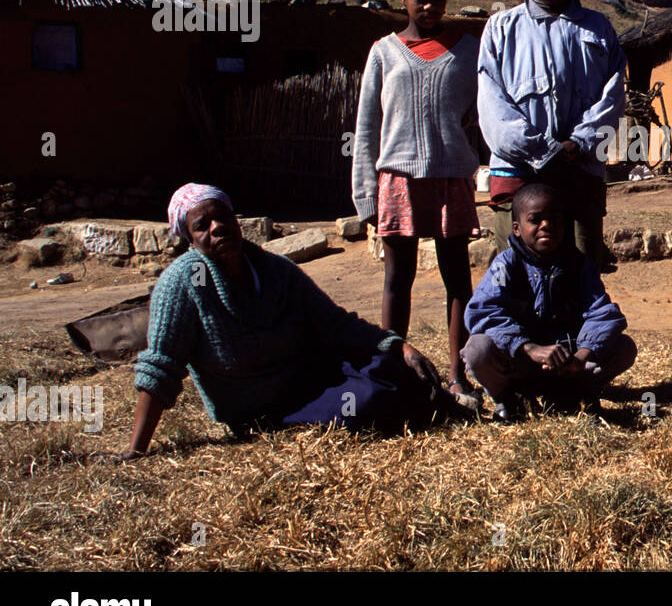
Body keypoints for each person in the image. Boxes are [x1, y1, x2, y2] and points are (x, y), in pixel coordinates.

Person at [123, 184, 466, 460]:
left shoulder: (273, 269)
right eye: (202, 225)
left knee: (387, 364)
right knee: (367, 400)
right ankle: (425, 408)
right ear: (188, 237)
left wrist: (399, 346)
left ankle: (445, 405)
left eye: (223, 217)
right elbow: (160, 368)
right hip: (260, 406)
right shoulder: (183, 282)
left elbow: (335, 323)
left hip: (308, 376)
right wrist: (135, 450)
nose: (217, 228)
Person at [351, 0, 481, 404]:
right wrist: (364, 192)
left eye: (438, 0)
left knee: (456, 279)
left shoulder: (466, 51)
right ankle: (391, 374)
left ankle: (458, 377)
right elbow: (367, 125)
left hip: (450, 178)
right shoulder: (384, 52)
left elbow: (482, 115)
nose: (429, 7)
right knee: (396, 277)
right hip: (398, 179)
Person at [477, 0, 626, 269]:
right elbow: (493, 104)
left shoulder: (599, 29)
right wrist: (544, 151)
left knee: (583, 276)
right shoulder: (501, 28)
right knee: (515, 277)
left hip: (581, 171)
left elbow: (613, 94)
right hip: (519, 172)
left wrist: (579, 143)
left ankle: (580, 326)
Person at [462, 183, 636, 422]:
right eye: (535, 219)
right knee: (477, 349)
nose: (546, 226)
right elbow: (483, 312)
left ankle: (576, 394)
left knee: (624, 347)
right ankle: (509, 399)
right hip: (521, 363)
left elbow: (602, 312)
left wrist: (582, 355)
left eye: (554, 219)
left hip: (568, 364)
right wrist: (528, 348)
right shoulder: (505, 265)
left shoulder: (578, 265)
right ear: (517, 228)